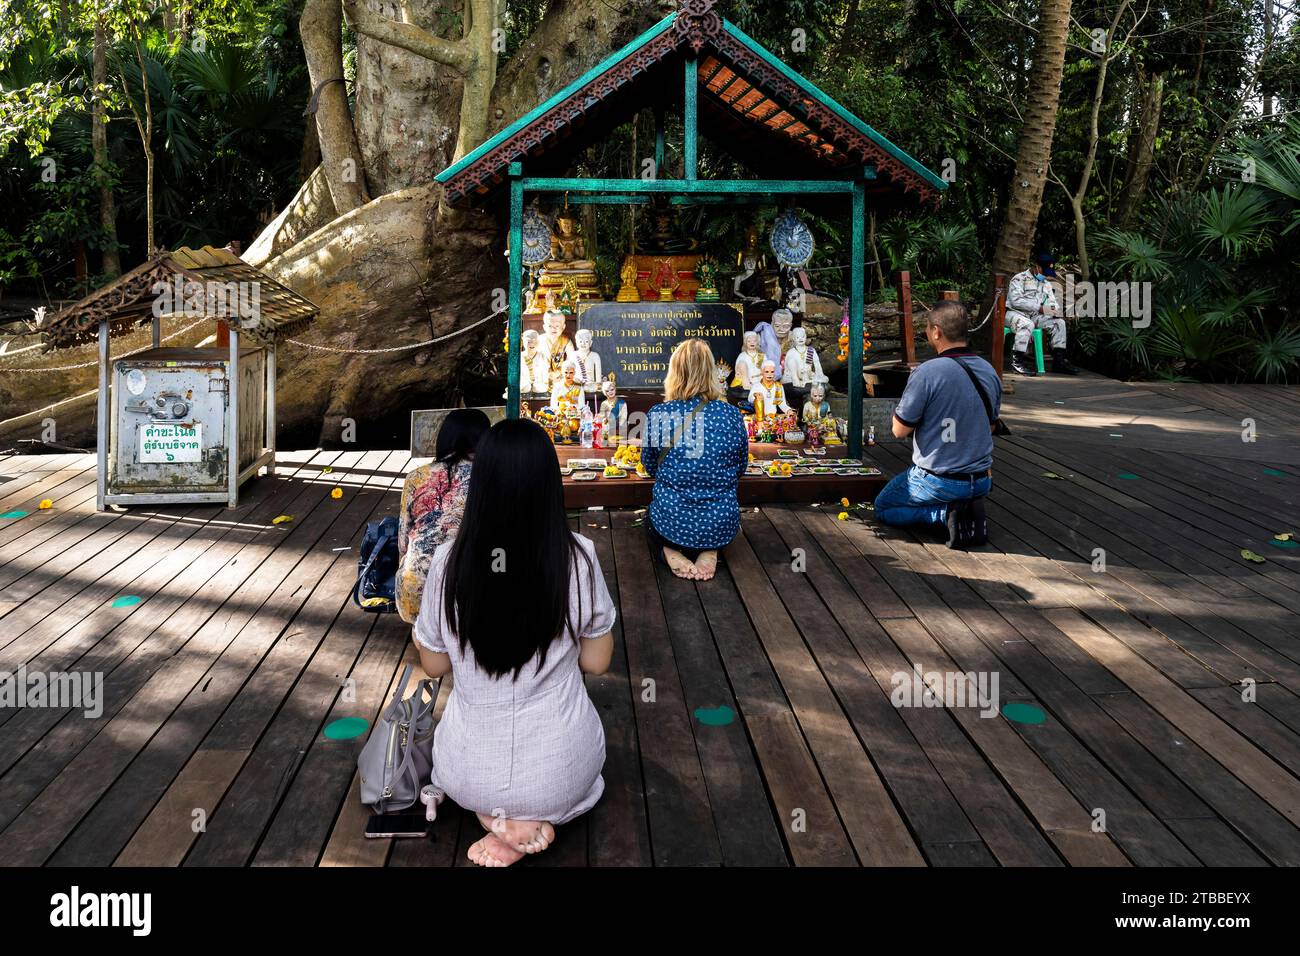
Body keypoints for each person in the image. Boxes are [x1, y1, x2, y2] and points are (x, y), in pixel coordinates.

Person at [413, 418, 615, 867]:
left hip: (466, 772)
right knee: (570, 773)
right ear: (549, 485)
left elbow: (433, 665)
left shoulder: (449, 563)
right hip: (563, 770)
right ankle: (526, 818)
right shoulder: (579, 557)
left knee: (487, 782)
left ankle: (494, 818)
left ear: (481, 484)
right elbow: (598, 662)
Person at [874, 301, 998, 548]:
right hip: (982, 479)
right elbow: (991, 426)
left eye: (928, 328)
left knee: (883, 507)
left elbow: (899, 430)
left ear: (937, 331)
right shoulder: (988, 369)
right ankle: (960, 506)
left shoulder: (927, 372)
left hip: (939, 480)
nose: (928, 333)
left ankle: (943, 515)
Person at [643, 338, 749, 581]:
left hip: (671, 523)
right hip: (720, 523)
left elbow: (651, 467)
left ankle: (669, 551)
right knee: (715, 515)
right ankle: (711, 549)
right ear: (710, 372)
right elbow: (740, 467)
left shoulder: (659, 414)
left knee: (650, 517)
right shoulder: (731, 415)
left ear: (674, 372)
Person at [396, 408, 491, 622]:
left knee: (423, 631)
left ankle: (423, 637)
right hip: (475, 595)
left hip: (416, 593)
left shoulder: (416, 477)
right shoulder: (491, 476)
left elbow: (403, 542)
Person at [1006, 252, 1077, 375]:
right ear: (1037, 267)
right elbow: (1015, 301)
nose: (1046, 276)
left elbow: (1053, 302)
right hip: (1015, 314)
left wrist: (1054, 310)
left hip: (1035, 316)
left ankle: (1058, 362)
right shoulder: (1019, 279)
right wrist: (1040, 308)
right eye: (1044, 272)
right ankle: (1017, 362)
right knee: (1026, 324)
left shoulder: (1046, 284)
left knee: (1059, 323)